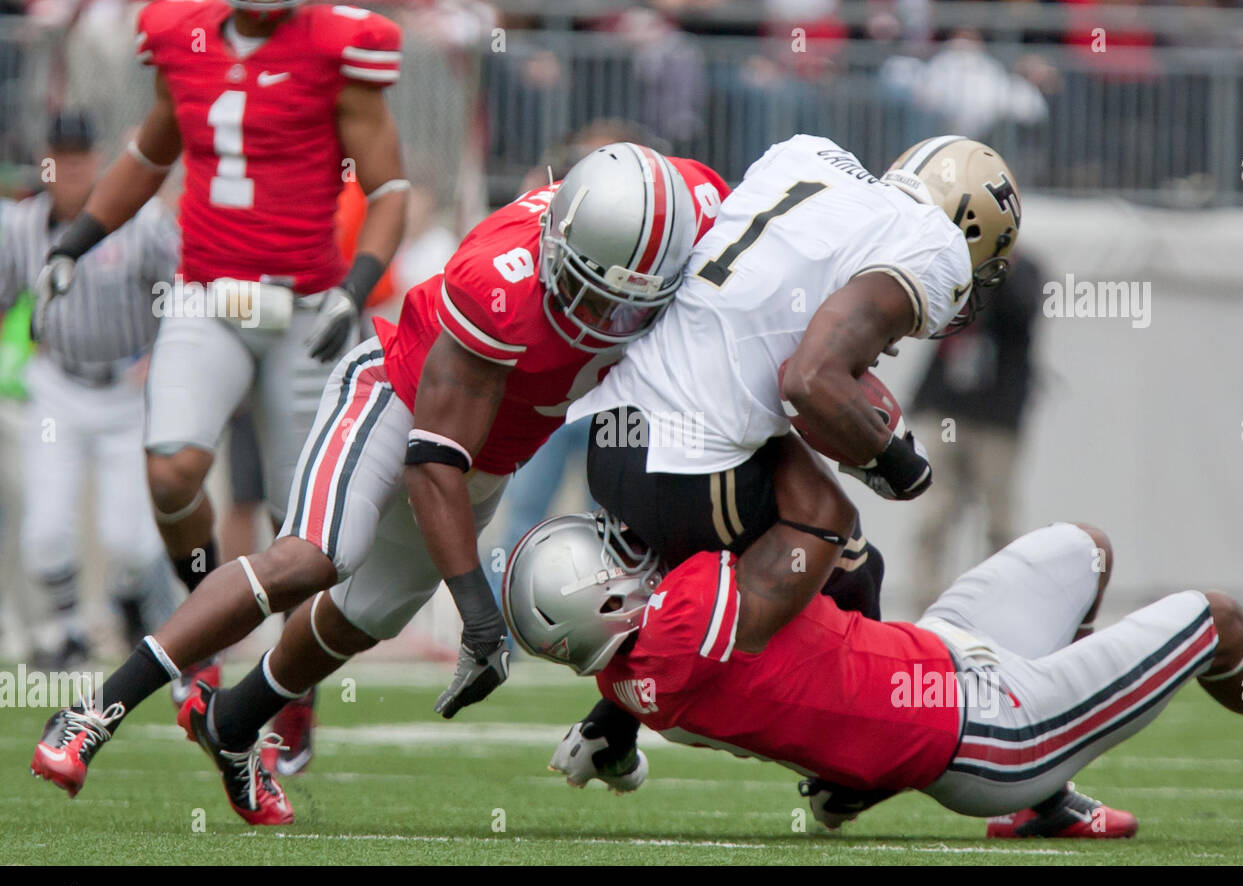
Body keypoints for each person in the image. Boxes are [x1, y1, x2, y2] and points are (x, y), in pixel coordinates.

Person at [32, 143, 729, 825]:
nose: (599, 320)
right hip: (397, 400)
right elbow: (433, 461)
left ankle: (234, 723)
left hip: (487, 455)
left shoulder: (698, 207)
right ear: (556, 243)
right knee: (312, 557)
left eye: (621, 304)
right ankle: (93, 709)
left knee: (368, 614)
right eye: (582, 290)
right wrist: (479, 618)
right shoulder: (499, 281)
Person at [551, 134, 1012, 812]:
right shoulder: (932, 246)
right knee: (840, 550)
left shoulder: (806, 154)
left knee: (844, 563)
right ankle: (852, 766)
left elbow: (760, 324)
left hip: (614, 430)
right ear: (969, 229)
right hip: (691, 465)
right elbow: (809, 381)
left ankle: (615, 724)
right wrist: (892, 463)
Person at [30, 0, 409, 714]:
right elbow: (151, 152)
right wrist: (74, 242)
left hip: (305, 305)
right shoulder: (182, 35)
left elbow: (388, 189)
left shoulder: (337, 47)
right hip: (209, 293)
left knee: (302, 535)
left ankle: (285, 703)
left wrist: (352, 289)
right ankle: (201, 628)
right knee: (173, 470)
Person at [504, 511, 1243, 837]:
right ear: (603, 599)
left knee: (1083, 548)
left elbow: (636, 705)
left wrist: (613, 737)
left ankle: (1046, 804)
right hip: (994, 732)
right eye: (611, 560)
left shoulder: (632, 674)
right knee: (1217, 619)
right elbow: (823, 524)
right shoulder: (685, 620)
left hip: (938, 654)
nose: (632, 551)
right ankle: (1039, 785)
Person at [0, 112, 179, 669]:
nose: (70, 170)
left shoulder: (141, 222)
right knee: (46, 530)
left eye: (80, 158)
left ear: (98, 162)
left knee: (131, 540)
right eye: (60, 158)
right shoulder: (19, 226)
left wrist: (163, 358)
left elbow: (182, 291)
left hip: (127, 387)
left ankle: (128, 603)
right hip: (58, 385)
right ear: (45, 163)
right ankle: (72, 631)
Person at [909, 247, 1042, 611]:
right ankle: (927, 607)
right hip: (948, 410)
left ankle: (997, 608)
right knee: (935, 514)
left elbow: (1023, 312)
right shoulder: (952, 259)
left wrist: (999, 268)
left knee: (999, 521)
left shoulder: (1025, 269)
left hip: (996, 419)